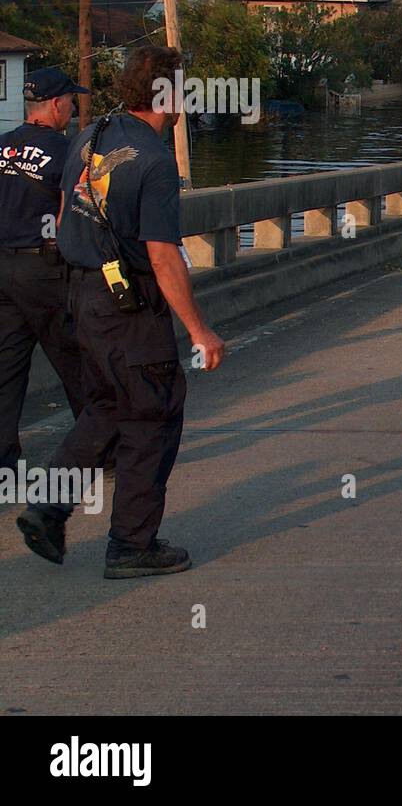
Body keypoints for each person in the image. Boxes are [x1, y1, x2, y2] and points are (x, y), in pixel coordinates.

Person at [16, 45, 225, 579]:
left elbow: (64, 215)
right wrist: (200, 331)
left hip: (82, 296)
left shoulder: (89, 137)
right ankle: (132, 545)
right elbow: (161, 254)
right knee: (153, 416)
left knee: (107, 406)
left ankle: (47, 506)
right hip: (129, 306)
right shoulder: (155, 162)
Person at [0, 68, 91, 474]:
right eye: (71, 101)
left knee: (6, 365)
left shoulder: (1, 146)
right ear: (56, 104)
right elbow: (73, 209)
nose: (72, 109)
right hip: (44, 269)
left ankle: (4, 456)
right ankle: (97, 446)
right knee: (74, 356)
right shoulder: (68, 151)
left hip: (2, 267)